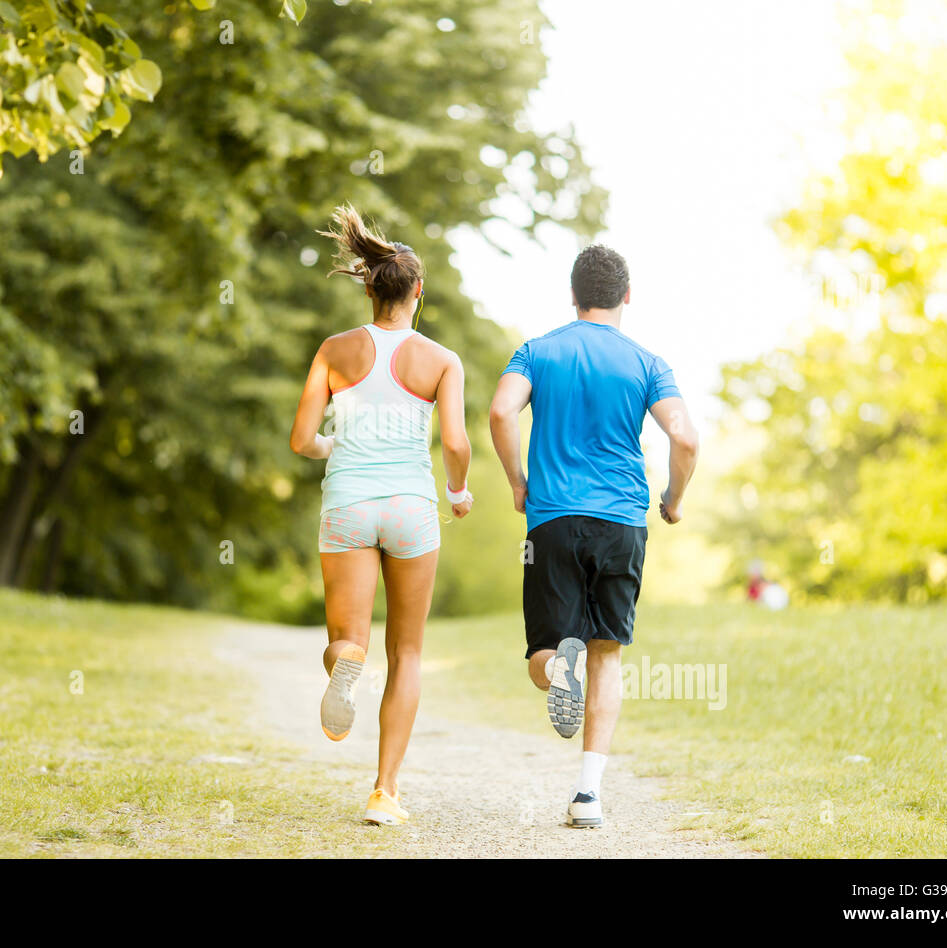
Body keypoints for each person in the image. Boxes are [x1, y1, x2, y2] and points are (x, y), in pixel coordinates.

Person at [488, 244, 699, 828]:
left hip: (552, 519)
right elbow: (685, 440)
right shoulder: (648, 362)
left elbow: (502, 413)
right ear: (627, 296)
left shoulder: (537, 351)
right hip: (623, 522)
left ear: (573, 296)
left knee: (543, 654)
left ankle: (560, 674)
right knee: (608, 653)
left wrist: (517, 482)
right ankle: (588, 796)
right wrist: (673, 501)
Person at [289, 204, 473, 826]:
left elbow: (301, 438)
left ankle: (344, 664)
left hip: (348, 503)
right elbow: (454, 442)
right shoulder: (441, 360)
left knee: (350, 641)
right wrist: (458, 491)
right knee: (409, 654)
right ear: (417, 292)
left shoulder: (334, 350)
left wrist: (330, 446)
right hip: (411, 510)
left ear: (368, 287)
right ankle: (384, 792)